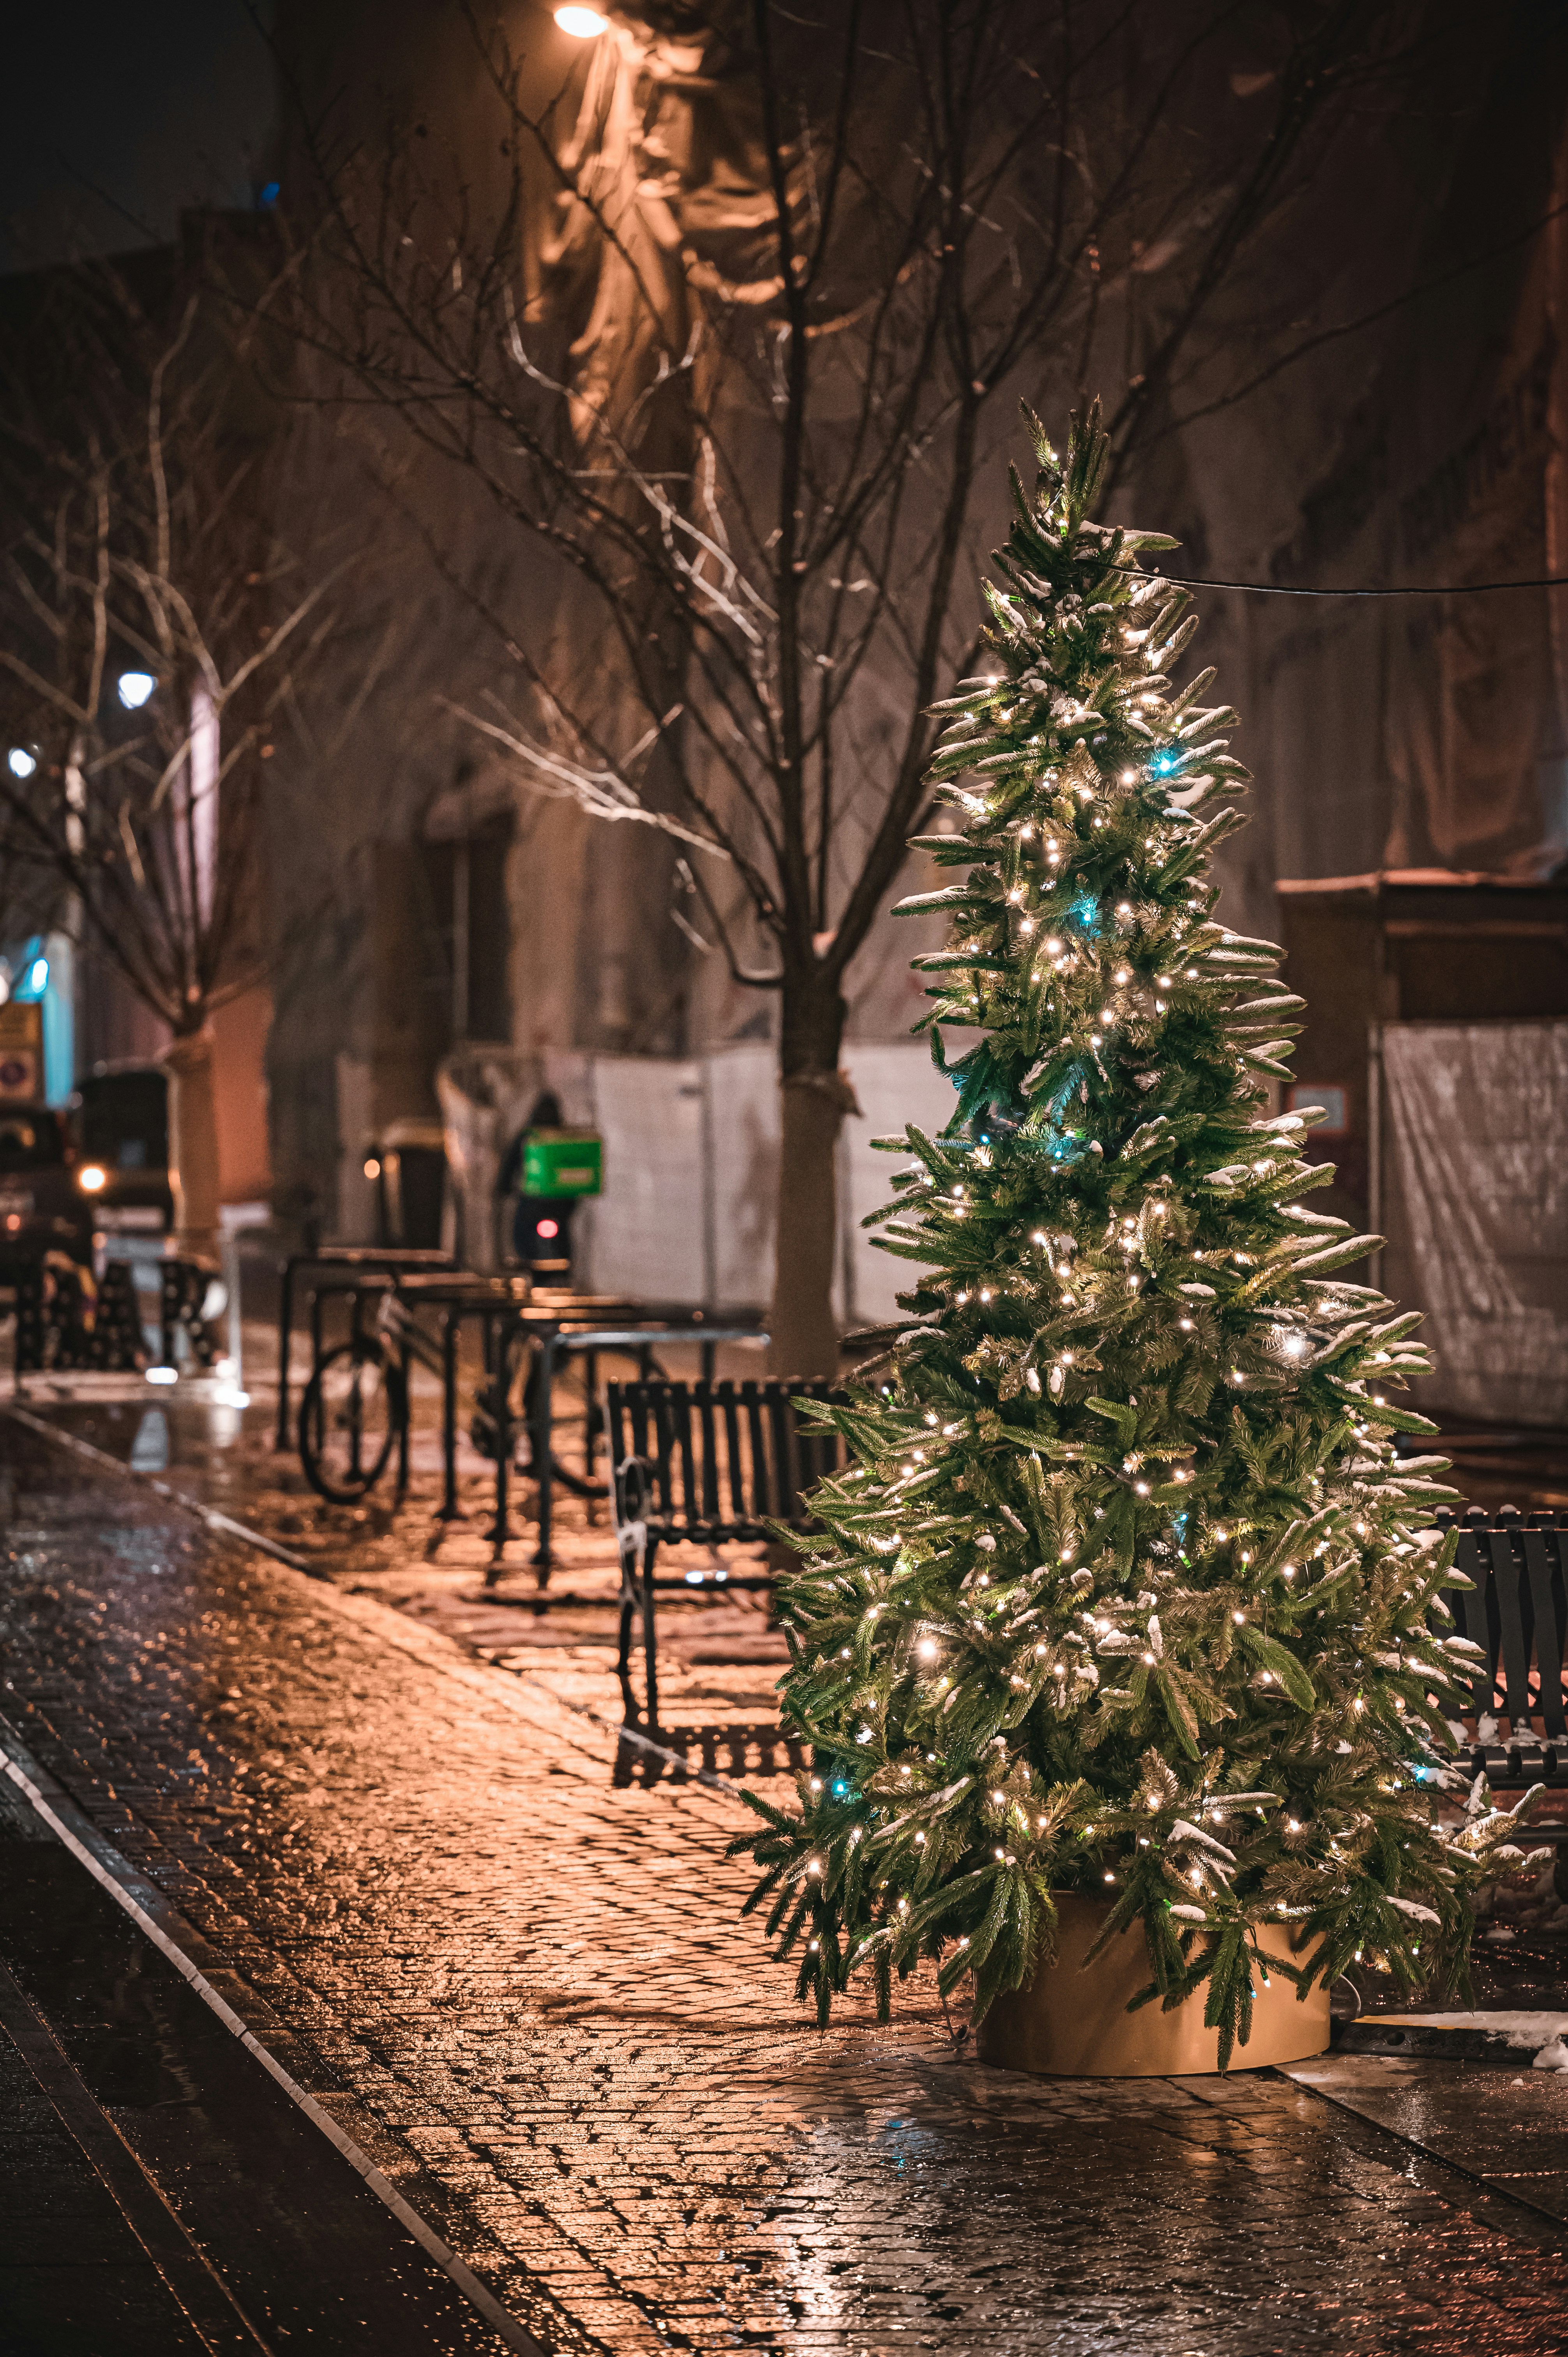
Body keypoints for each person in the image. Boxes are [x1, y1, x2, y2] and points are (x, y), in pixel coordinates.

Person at [497, 1091, 577, 1276]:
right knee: (562, 1239)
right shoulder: (564, 1137)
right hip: (559, 1206)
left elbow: (510, 1164)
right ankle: (562, 1273)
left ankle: (532, 1269)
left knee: (523, 1240)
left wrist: (504, 1187)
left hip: (532, 1204)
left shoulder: (527, 1136)